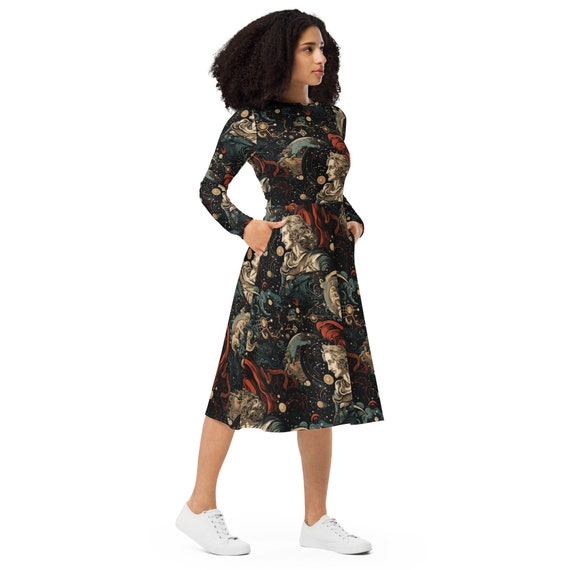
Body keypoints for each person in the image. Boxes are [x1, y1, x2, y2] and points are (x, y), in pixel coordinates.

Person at [175, 8, 384, 556]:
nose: (320, 58)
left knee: (324, 385)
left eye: (323, 49)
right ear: (279, 56)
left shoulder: (333, 118)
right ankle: (198, 506)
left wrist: (353, 219)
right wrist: (246, 226)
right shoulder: (250, 123)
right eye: (308, 49)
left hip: (330, 268)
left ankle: (316, 520)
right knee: (236, 383)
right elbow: (210, 188)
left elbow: (327, 186)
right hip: (276, 272)